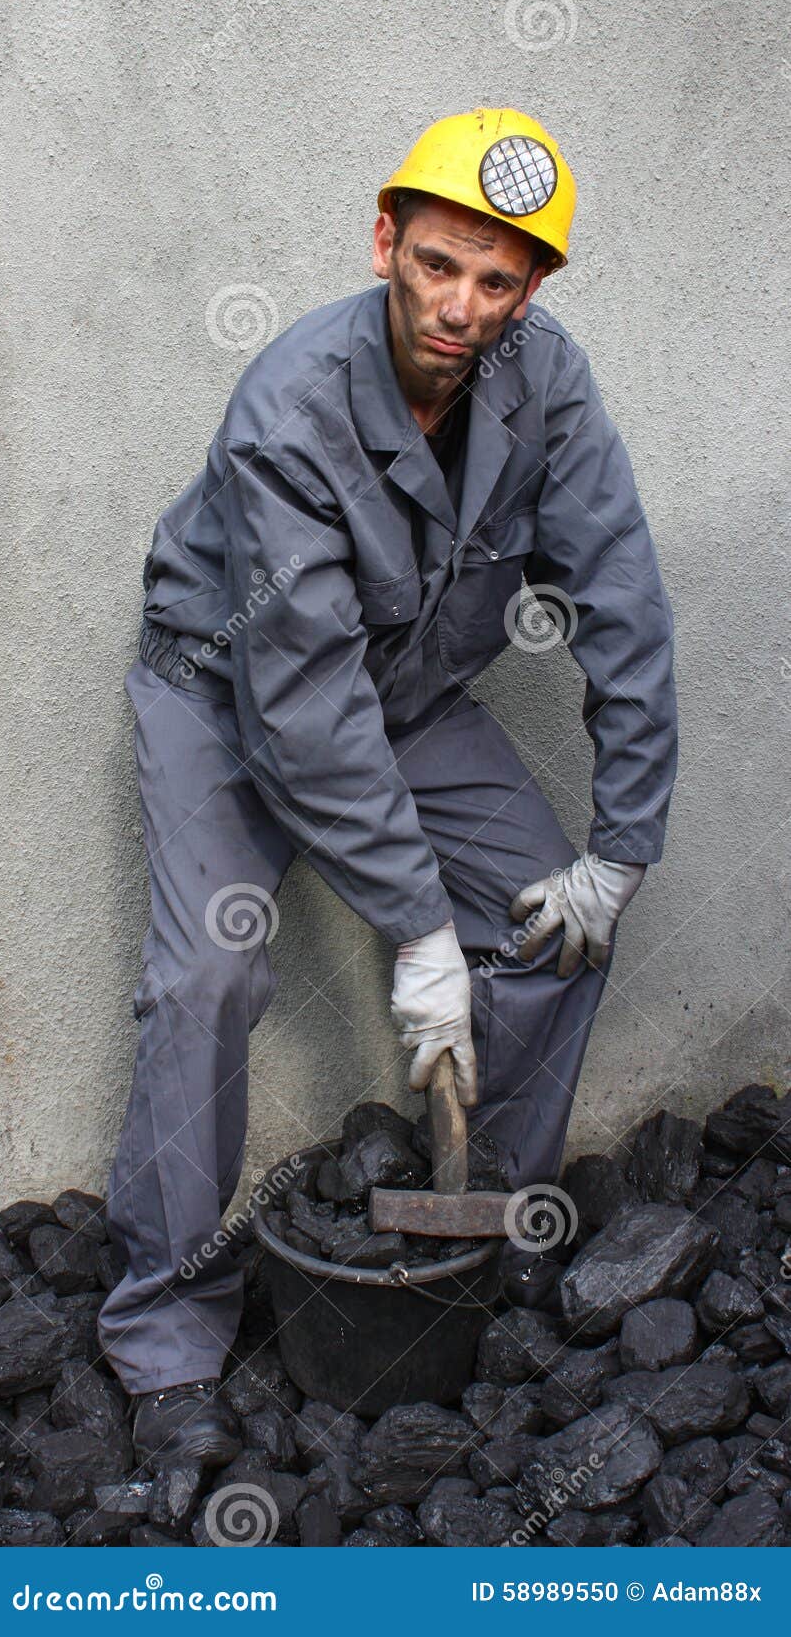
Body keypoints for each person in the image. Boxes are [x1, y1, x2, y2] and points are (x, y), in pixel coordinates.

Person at [98, 108, 679, 1467]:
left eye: (497, 281)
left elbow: (621, 600)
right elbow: (299, 702)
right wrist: (417, 930)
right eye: (436, 265)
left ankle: (481, 1226)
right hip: (227, 696)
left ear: (531, 291)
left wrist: (623, 844)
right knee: (208, 977)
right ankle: (166, 1335)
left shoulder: (547, 386)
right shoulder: (291, 408)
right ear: (383, 244)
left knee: (553, 920)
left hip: (405, 691)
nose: (460, 307)